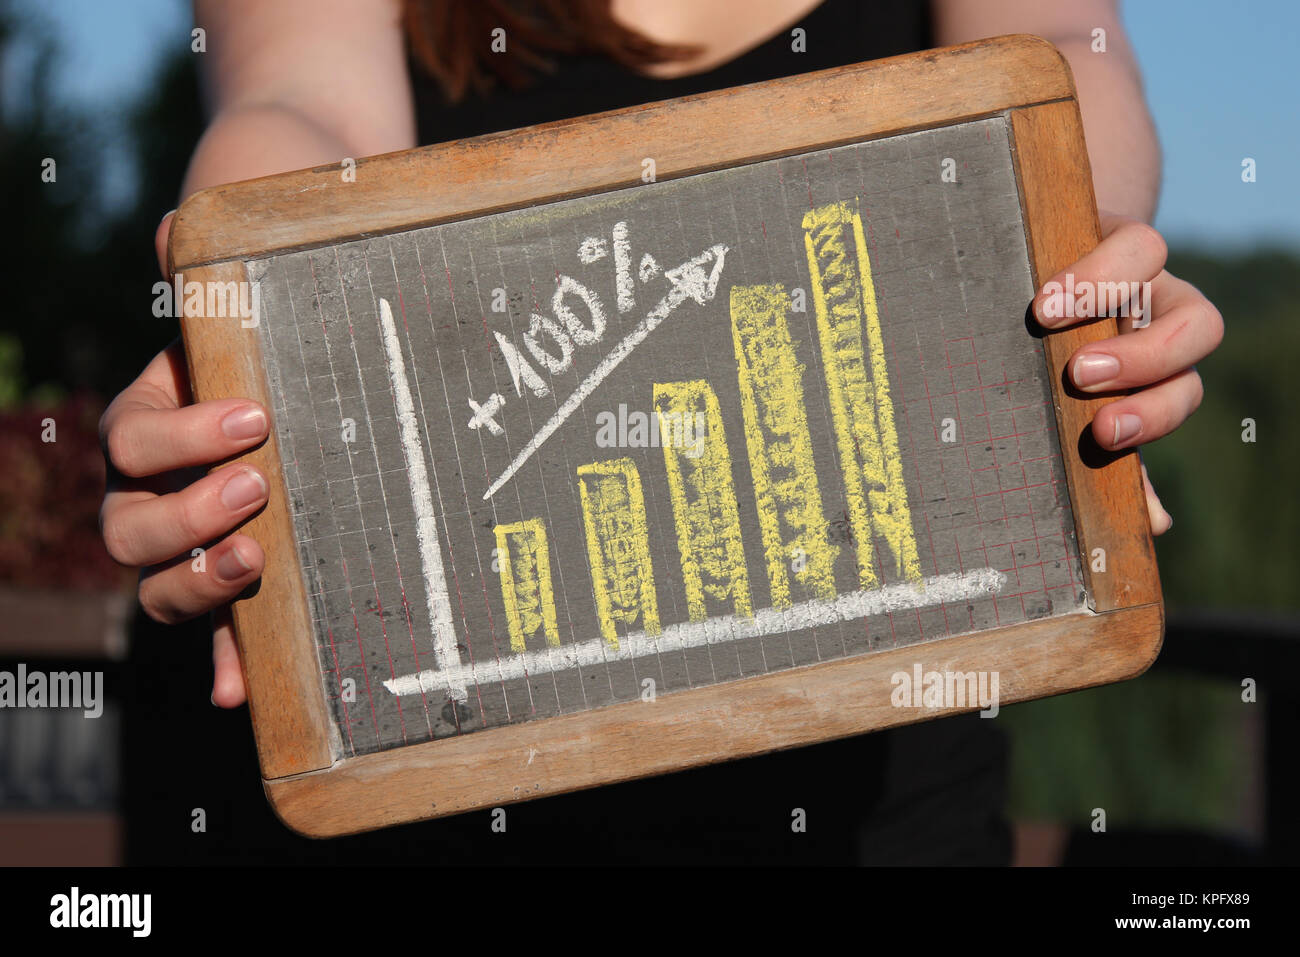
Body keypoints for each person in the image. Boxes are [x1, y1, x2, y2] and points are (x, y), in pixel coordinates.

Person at [99, 0, 1223, 864]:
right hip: (415, 773)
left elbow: (1062, 56)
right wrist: (253, 334)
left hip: (871, 808)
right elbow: (302, 106)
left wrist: (1090, 252)